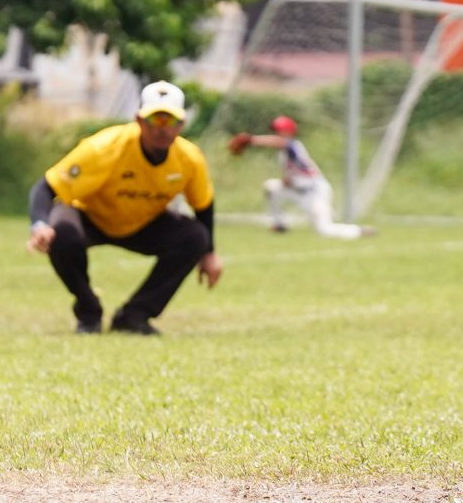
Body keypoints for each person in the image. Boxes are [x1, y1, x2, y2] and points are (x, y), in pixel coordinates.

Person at [23, 81, 224, 335]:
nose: (162, 130)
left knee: (195, 237)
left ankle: (134, 316)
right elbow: (46, 188)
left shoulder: (189, 159)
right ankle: (88, 311)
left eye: (170, 122)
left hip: (142, 222)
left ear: (182, 125)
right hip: (89, 214)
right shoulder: (104, 147)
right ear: (139, 120)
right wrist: (39, 225)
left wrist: (210, 253)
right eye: (155, 121)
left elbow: (203, 206)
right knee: (62, 231)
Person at [232, 115, 370, 239]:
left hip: (314, 193)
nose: (277, 133)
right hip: (297, 192)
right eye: (275, 130)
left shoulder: (294, 146)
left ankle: (359, 231)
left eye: (280, 130)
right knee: (272, 188)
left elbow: (281, 142)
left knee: (325, 230)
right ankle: (279, 225)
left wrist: (251, 140)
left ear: (289, 131)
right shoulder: (283, 154)